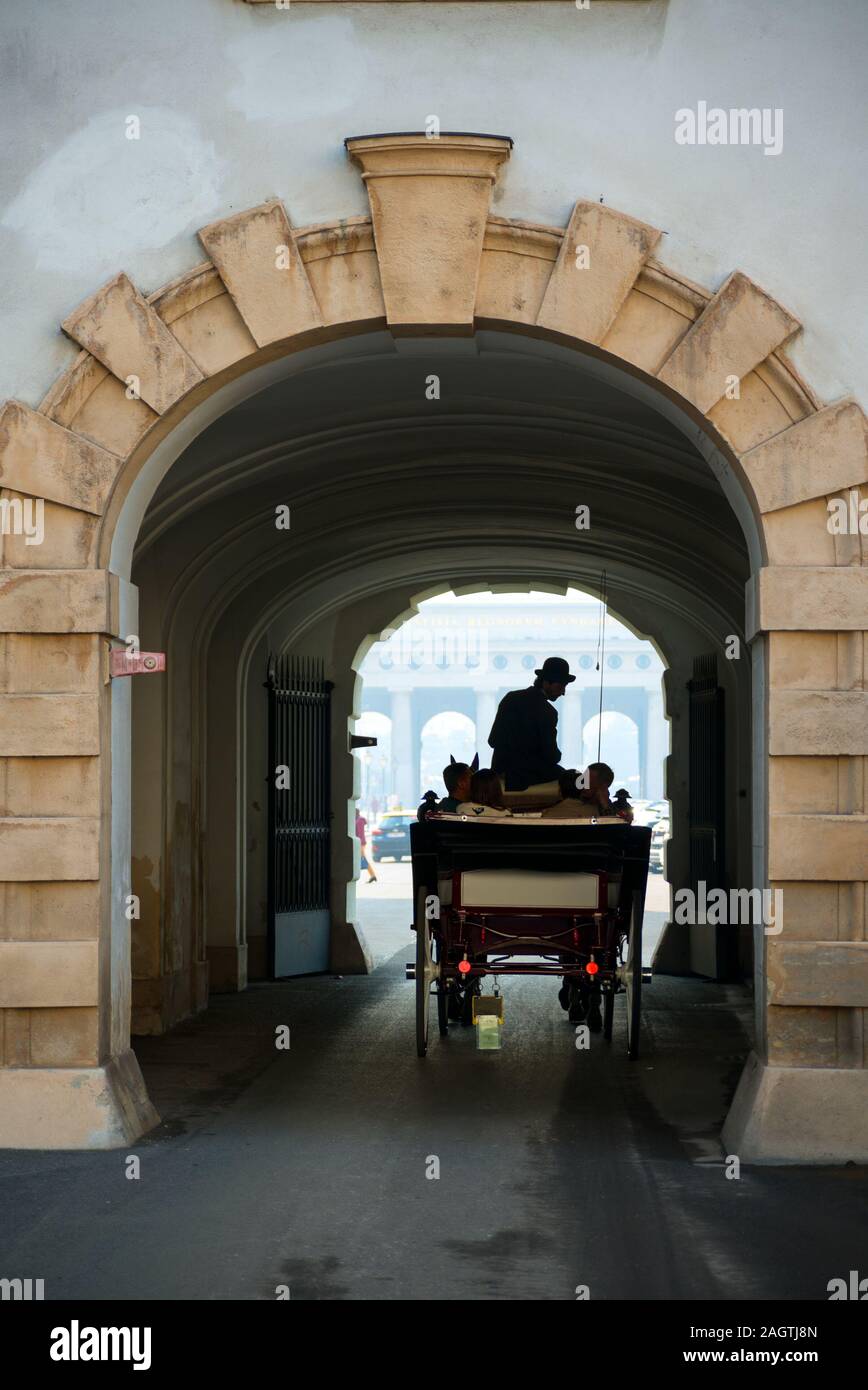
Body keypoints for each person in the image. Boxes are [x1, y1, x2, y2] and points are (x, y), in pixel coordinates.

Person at [487, 656, 576, 790]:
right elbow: (551, 756)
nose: (563, 692)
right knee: (579, 778)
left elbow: (492, 740)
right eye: (560, 686)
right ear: (546, 682)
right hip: (526, 777)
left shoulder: (510, 698)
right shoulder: (548, 712)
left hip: (500, 771)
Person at [355, 808, 377, 883]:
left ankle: (372, 875)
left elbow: (361, 833)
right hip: (359, 842)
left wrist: (360, 844)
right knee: (363, 859)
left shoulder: (360, 820)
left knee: (363, 859)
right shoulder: (357, 819)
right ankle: (372, 875)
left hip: (361, 843)